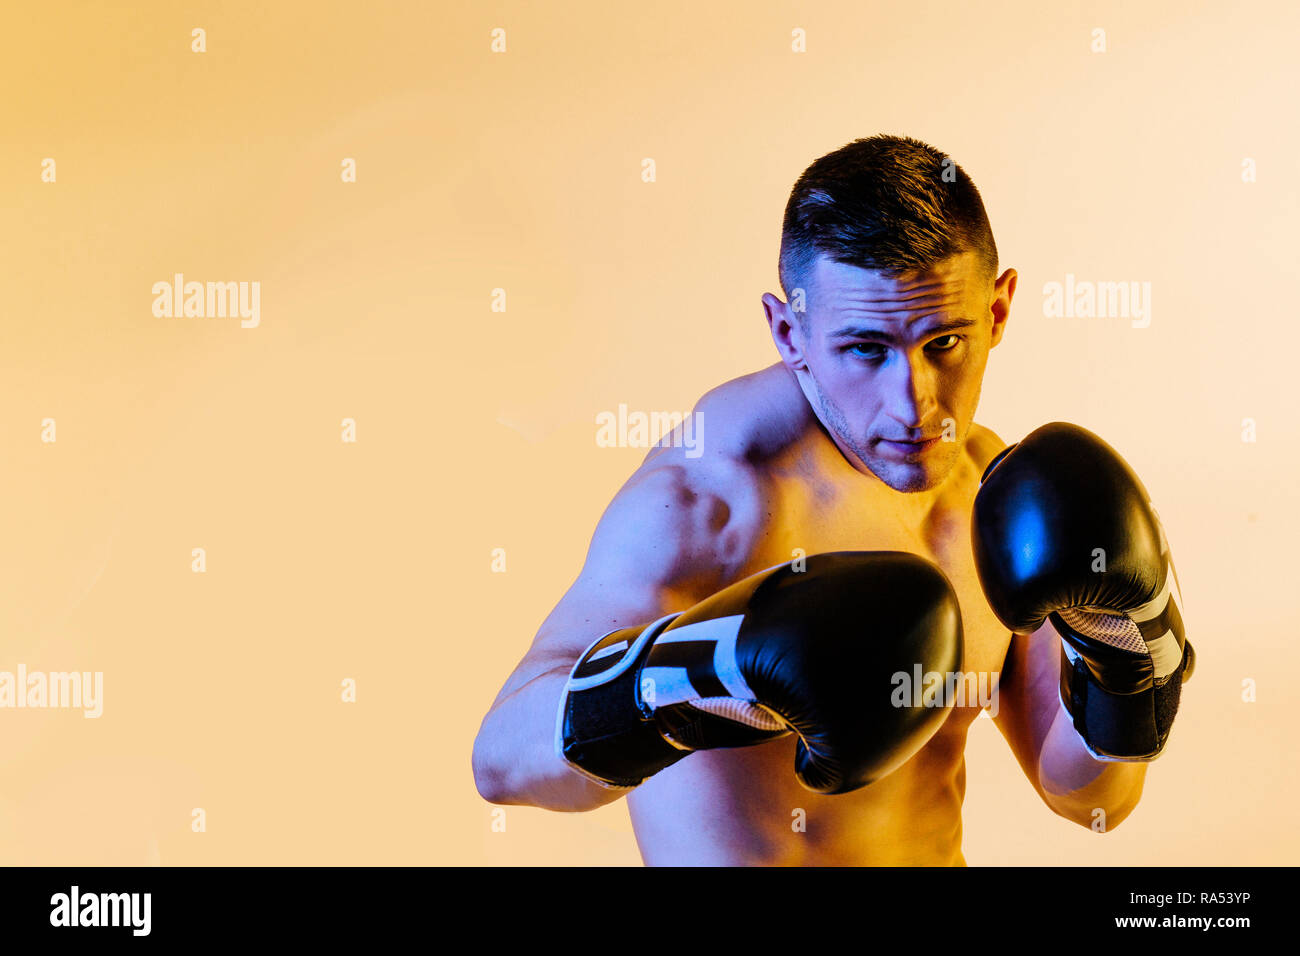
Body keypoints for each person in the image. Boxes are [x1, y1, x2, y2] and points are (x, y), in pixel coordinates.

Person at [471, 134, 1193, 865]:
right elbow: (499, 764)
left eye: (944, 342)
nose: (912, 404)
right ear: (790, 332)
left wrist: (1134, 653)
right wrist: (696, 673)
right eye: (865, 349)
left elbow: (1089, 799)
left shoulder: (1001, 502)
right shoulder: (712, 498)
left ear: (999, 310)